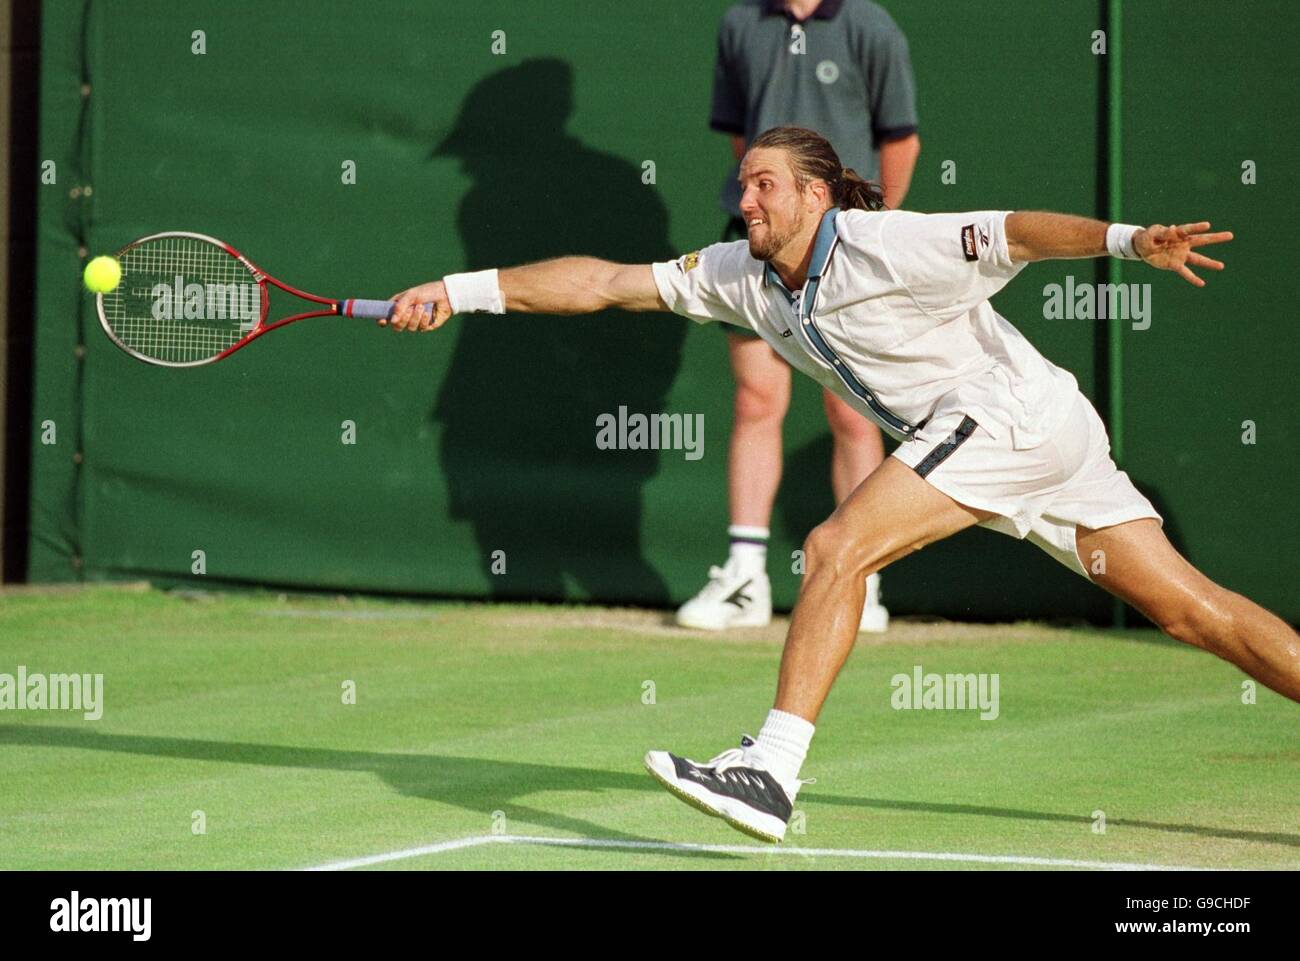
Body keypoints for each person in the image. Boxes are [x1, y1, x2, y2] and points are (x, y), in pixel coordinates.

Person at [384, 126, 1298, 845]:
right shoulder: (740, 275)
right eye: (742, 183)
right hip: (1039, 440)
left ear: (815, 194)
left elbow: (1015, 232)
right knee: (1197, 616)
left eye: (764, 184)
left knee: (834, 547)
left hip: (1007, 416)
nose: (745, 198)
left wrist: (1131, 241)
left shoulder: (888, 243)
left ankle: (771, 769)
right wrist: (460, 292)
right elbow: (606, 282)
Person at [683, 0, 922, 633]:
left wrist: (876, 229)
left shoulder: (869, 27)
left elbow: (899, 137)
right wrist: (769, 202)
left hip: (848, 244)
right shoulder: (739, 24)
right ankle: (744, 579)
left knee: (851, 408)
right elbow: (744, 142)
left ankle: (861, 577)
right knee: (757, 399)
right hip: (759, 239)